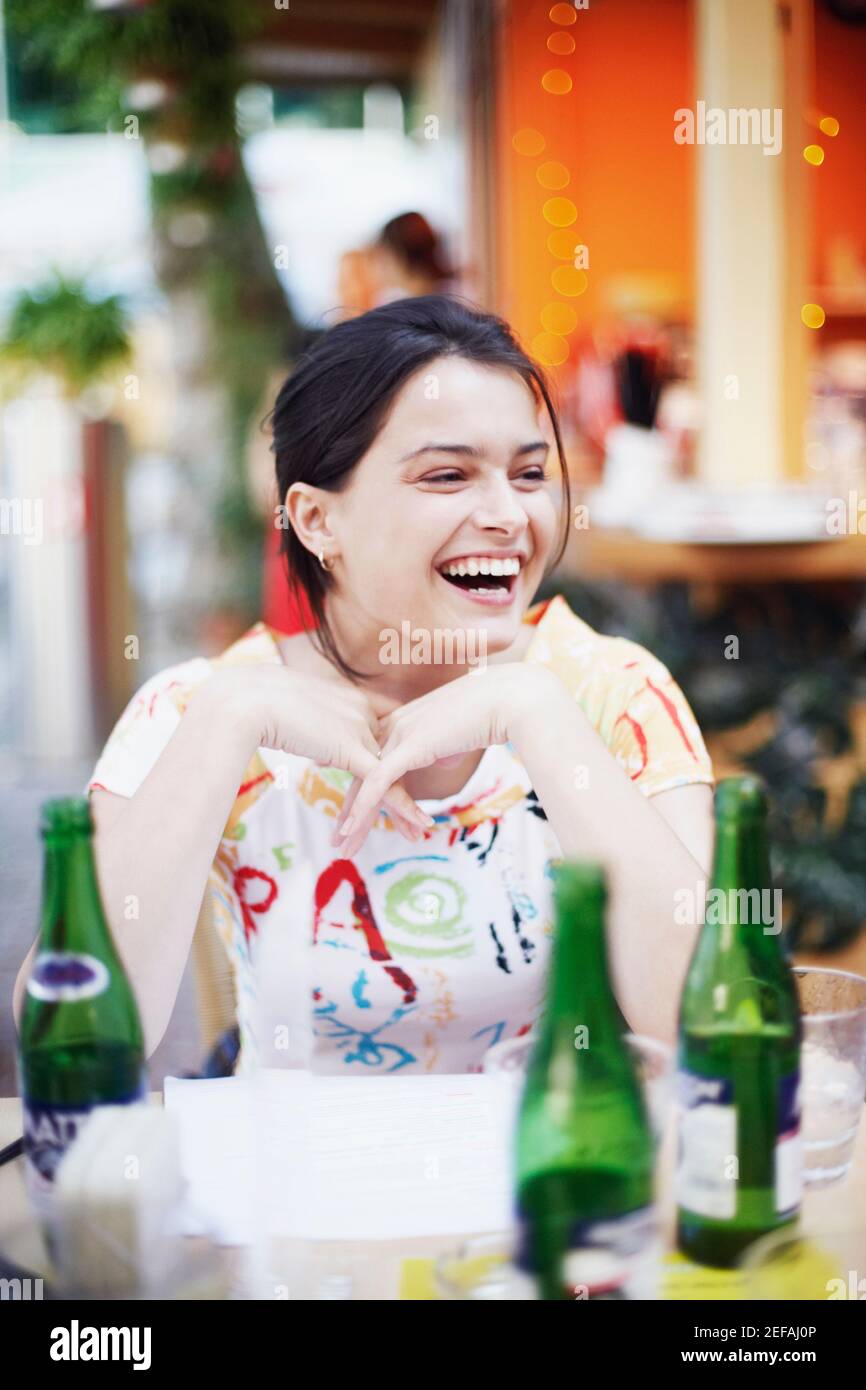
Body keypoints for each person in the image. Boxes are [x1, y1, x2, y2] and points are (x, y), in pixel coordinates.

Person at [14, 295, 715, 1075]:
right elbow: (70, 1043)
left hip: (542, 1177)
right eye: (448, 475)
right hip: (286, 1180)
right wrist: (225, 720)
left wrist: (535, 713)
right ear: (316, 521)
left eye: (528, 473)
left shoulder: (613, 694)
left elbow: (705, 1026)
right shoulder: (193, 711)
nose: (509, 515)